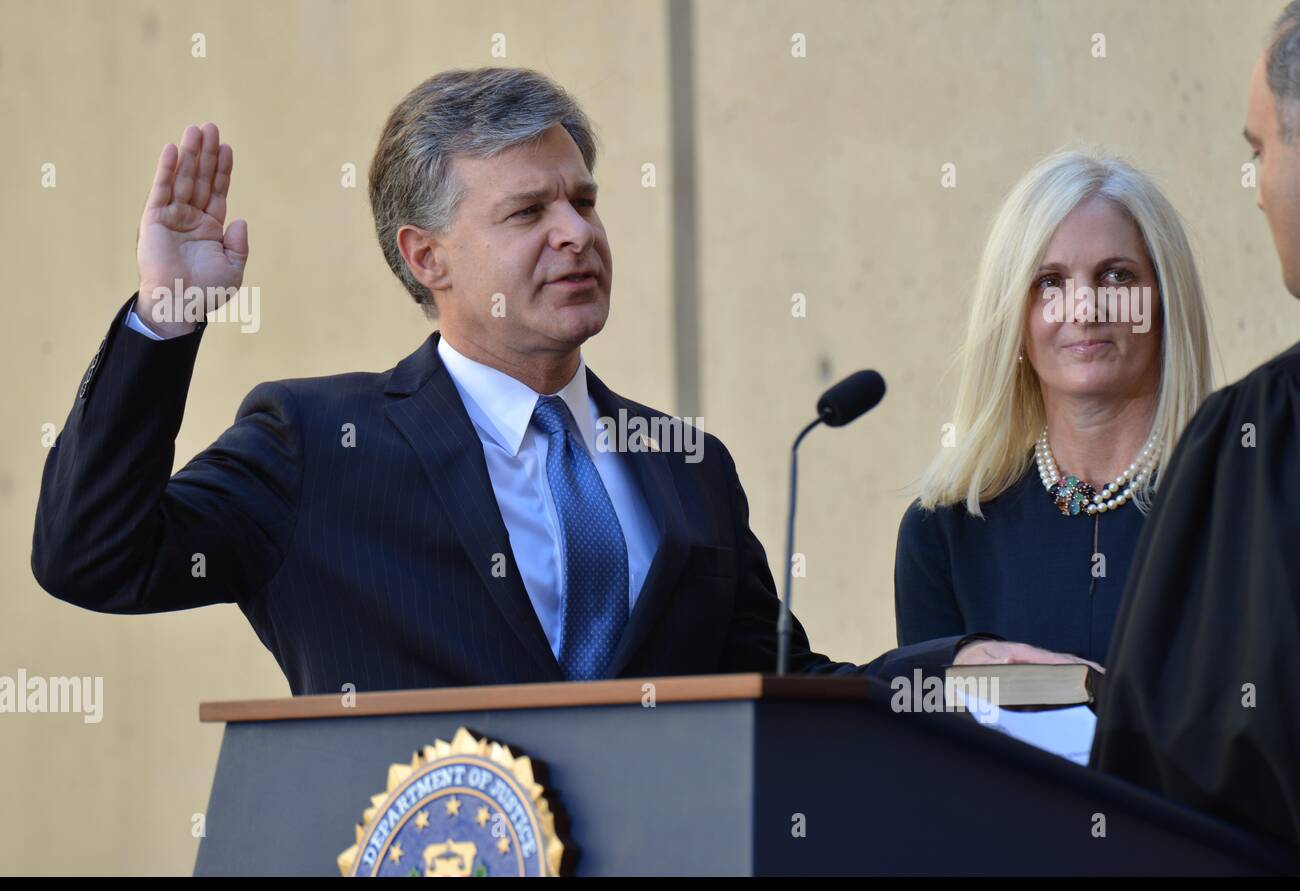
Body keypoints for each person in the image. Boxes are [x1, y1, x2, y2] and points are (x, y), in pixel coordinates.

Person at [31, 68, 865, 695]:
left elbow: (784, 688)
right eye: (528, 213)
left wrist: (950, 675)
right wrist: (164, 317)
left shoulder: (687, 463)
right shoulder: (315, 444)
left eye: (584, 201)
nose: (576, 234)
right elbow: (95, 557)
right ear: (426, 257)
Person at [869, 149, 1214, 681]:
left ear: (1164, 301)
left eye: (1116, 277)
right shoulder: (945, 531)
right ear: (1013, 317)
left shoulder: (1237, 507)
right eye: (1049, 282)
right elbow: (938, 751)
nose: (1083, 308)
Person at [1091, 4, 1300, 853]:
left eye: (1260, 150)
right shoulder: (947, 530)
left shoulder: (1257, 447)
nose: (1255, 190)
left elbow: (1164, 825)